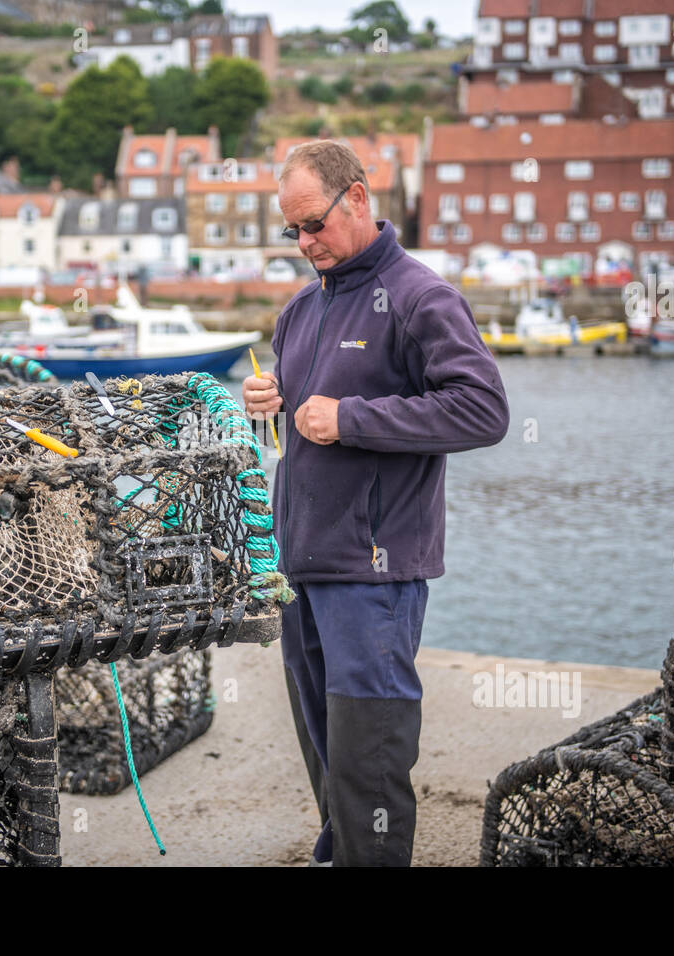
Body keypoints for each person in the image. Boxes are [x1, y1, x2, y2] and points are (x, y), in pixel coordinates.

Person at [242, 140, 509, 867]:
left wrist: (353, 417)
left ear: (357, 197)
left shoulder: (422, 295)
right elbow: (304, 415)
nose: (303, 243)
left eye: (314, 225)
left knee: (371, 753)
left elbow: (483, 411)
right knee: (326, 748)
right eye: (291, 231)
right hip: (299, 564)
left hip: (375, 570)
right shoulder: (299, 311)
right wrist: (267, 403)